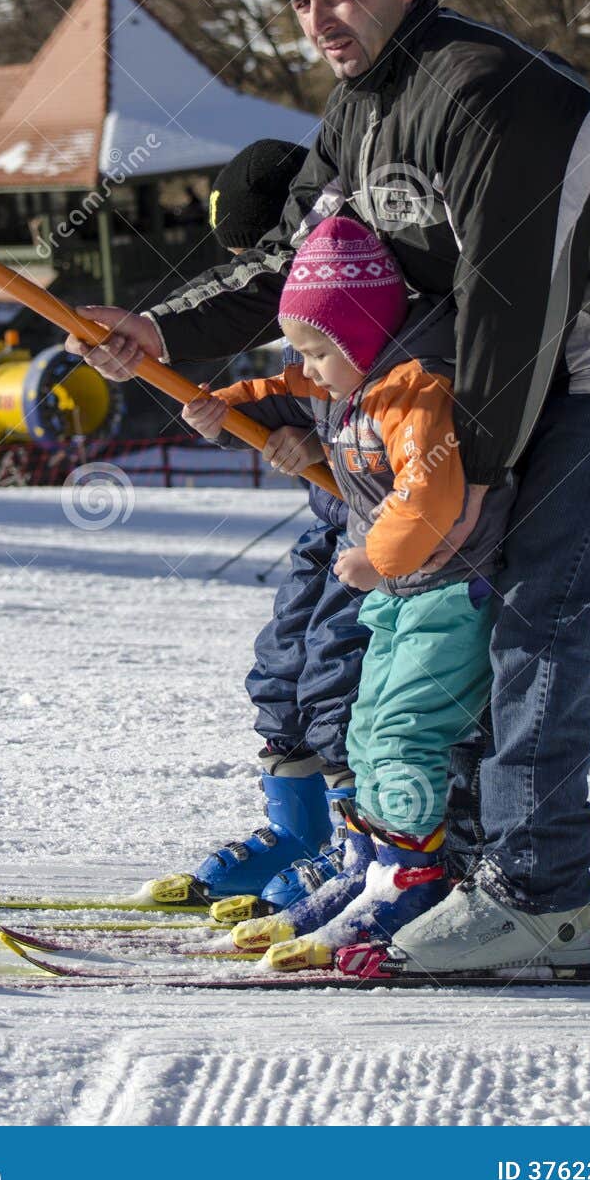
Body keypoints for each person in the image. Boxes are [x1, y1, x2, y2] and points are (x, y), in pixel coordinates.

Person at [67, 0, 590, 974]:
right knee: (474, 591)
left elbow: (511, 302)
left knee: (539, 597)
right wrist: (163, 328)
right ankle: (452, 865)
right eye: (300, 1)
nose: (317, 19)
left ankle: (538, 893)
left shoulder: (486, 92)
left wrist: (464, 475)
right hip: (518, 361)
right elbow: (295, 263)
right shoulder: (356, 110)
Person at [182, 215, 514, 970]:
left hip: (447, 592)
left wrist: (374, 558)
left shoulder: (413, 390)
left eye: (317, 351)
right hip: (404, 593)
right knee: (365, 733)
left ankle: (412, 881)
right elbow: (277, 391)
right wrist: (221, 409)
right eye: (301, 352)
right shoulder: (347, 378)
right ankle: (370, 868)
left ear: (361, 336)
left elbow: (430, 495)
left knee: (402, 735)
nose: (307, 368)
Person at [145, 141, 376, 918]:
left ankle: (361, 846)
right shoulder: (310, 347)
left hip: (379, 541)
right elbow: (283, 393)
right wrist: (221, 415)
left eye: (264, 258)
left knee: (337, 679)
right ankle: (298, 834)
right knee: (281, 667)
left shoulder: (372, 328)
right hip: (328, 530)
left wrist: (321, 452)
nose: (264, 282)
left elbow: (379, 433)